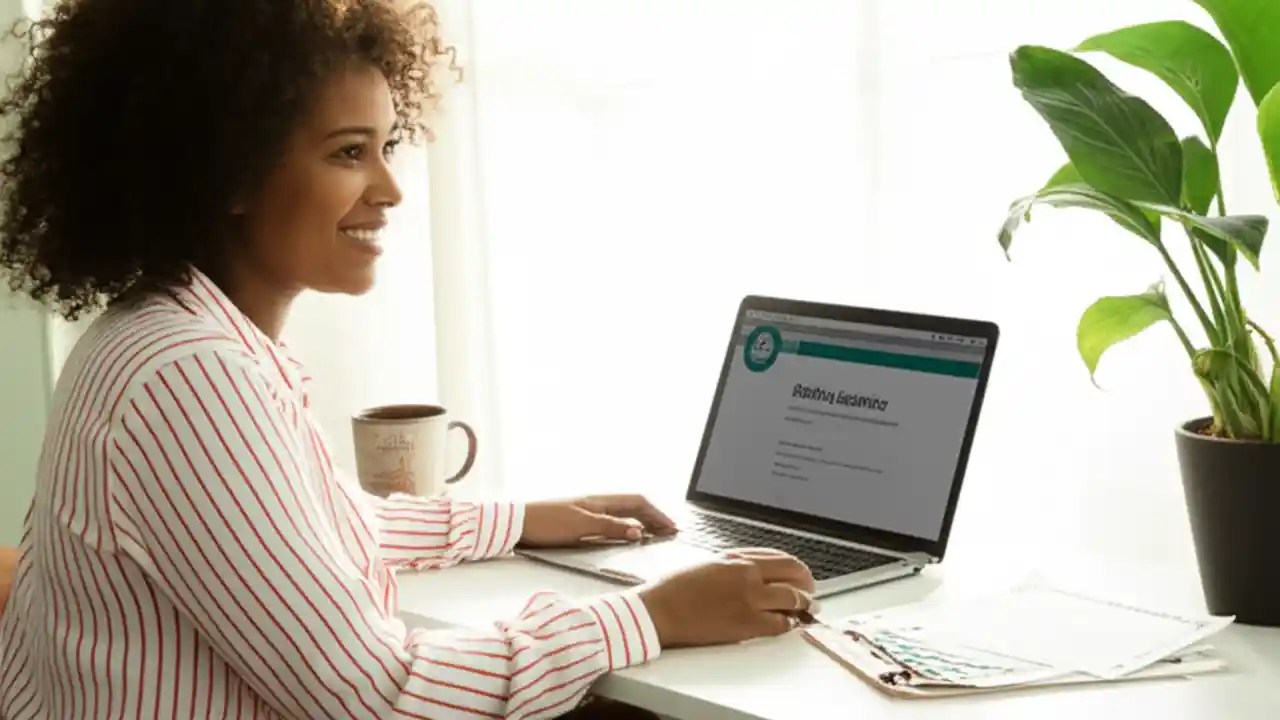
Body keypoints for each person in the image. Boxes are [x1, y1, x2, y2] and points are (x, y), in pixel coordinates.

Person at [0, 2, 816, 718]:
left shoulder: (161, 334)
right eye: (349, 152)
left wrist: (521, 520)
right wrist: (649, 616)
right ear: (228, 174)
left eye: (386, 144)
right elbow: (378, 696)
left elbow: (306, 529)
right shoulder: (189, 380)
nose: (390, 188)